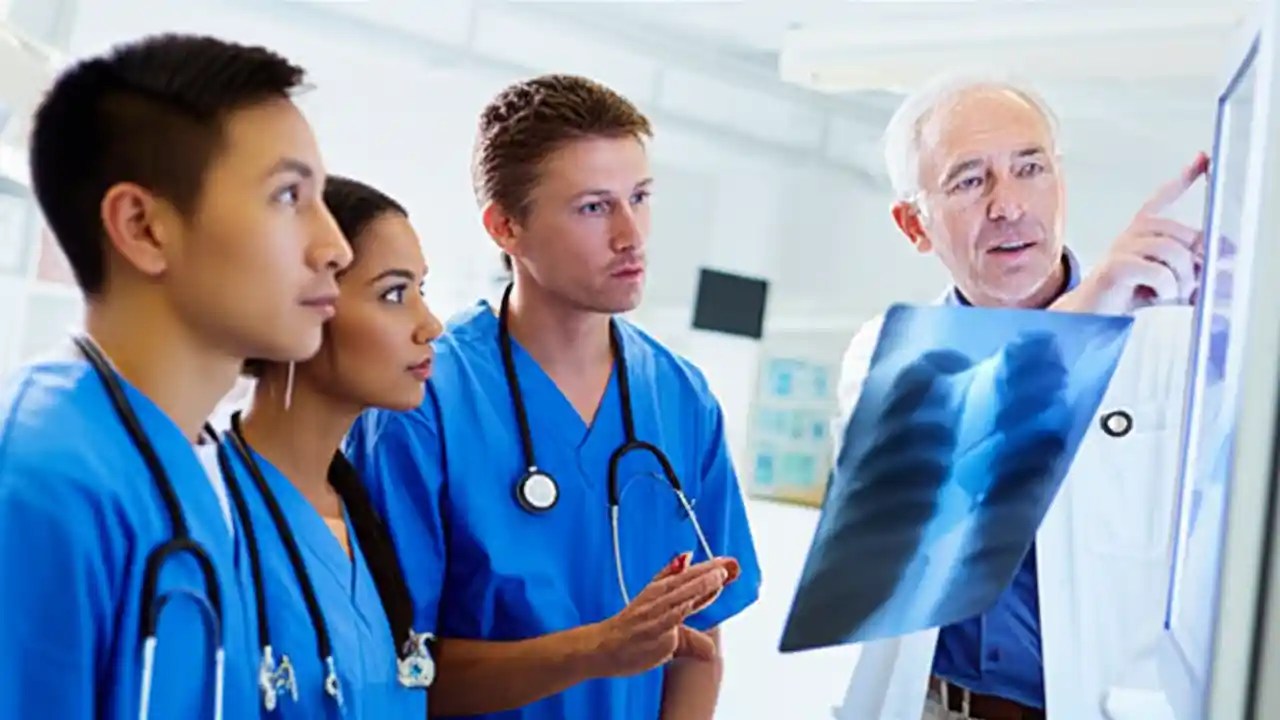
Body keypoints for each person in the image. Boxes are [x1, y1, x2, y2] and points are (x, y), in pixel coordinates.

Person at [345, 73, 761, 719]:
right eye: (594, 207)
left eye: (640, 197)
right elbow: (398, 672)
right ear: (506, 226)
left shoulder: (680, 396)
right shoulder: (420, 401)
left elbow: (699, 640)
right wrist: (600, 649)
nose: (632, 235)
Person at [830, 72, 1206, 720]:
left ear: (1060, 185)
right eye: (970, 180)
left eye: (1029, 169)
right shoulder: (885, 354)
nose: (1008, 205)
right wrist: (1084, 315)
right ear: (912, 224)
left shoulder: (1173, 346)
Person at [0, 33, 352, 719]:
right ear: (144, 227)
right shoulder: (39, 479)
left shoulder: (187, 470)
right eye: (288, 196)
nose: (334, 246)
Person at [208, 175, 444, 718]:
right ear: (299, 306)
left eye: (421, 291)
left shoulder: (366, 519)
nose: (429, 325)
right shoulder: (210, 513)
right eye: (393, 294)